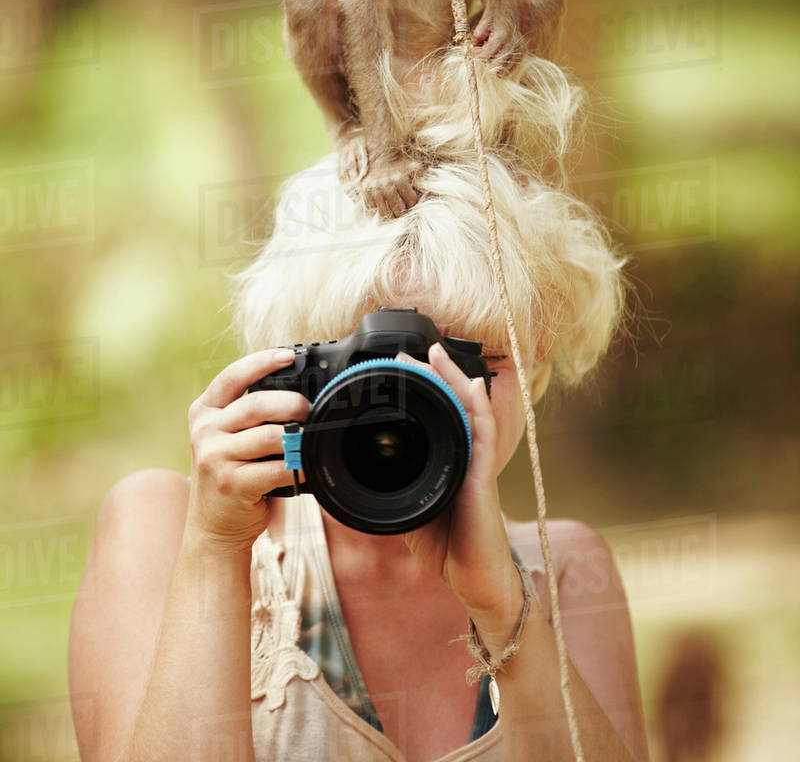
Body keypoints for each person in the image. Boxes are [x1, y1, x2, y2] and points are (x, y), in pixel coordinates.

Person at [69, 54, 650, 761]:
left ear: (538, 362)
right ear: (297, 363)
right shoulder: (167, 533)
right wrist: (216, 555)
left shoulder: (564, 573)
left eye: (471, 366)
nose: (417, 412)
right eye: (378, 375)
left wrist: (504, 610)